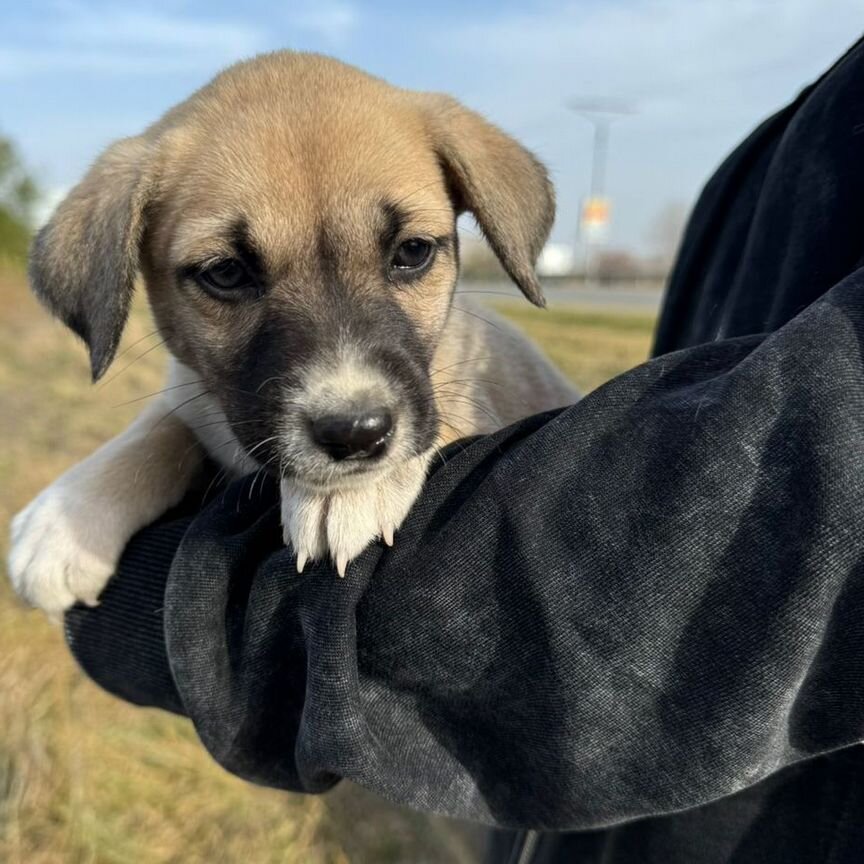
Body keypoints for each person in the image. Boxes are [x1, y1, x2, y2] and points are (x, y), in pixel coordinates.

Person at [63, 37, 864, 864]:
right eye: (229, 275)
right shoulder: (783, 141)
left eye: (410, 254)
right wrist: (138, 459)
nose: (348, 394)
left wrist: (196, 615)